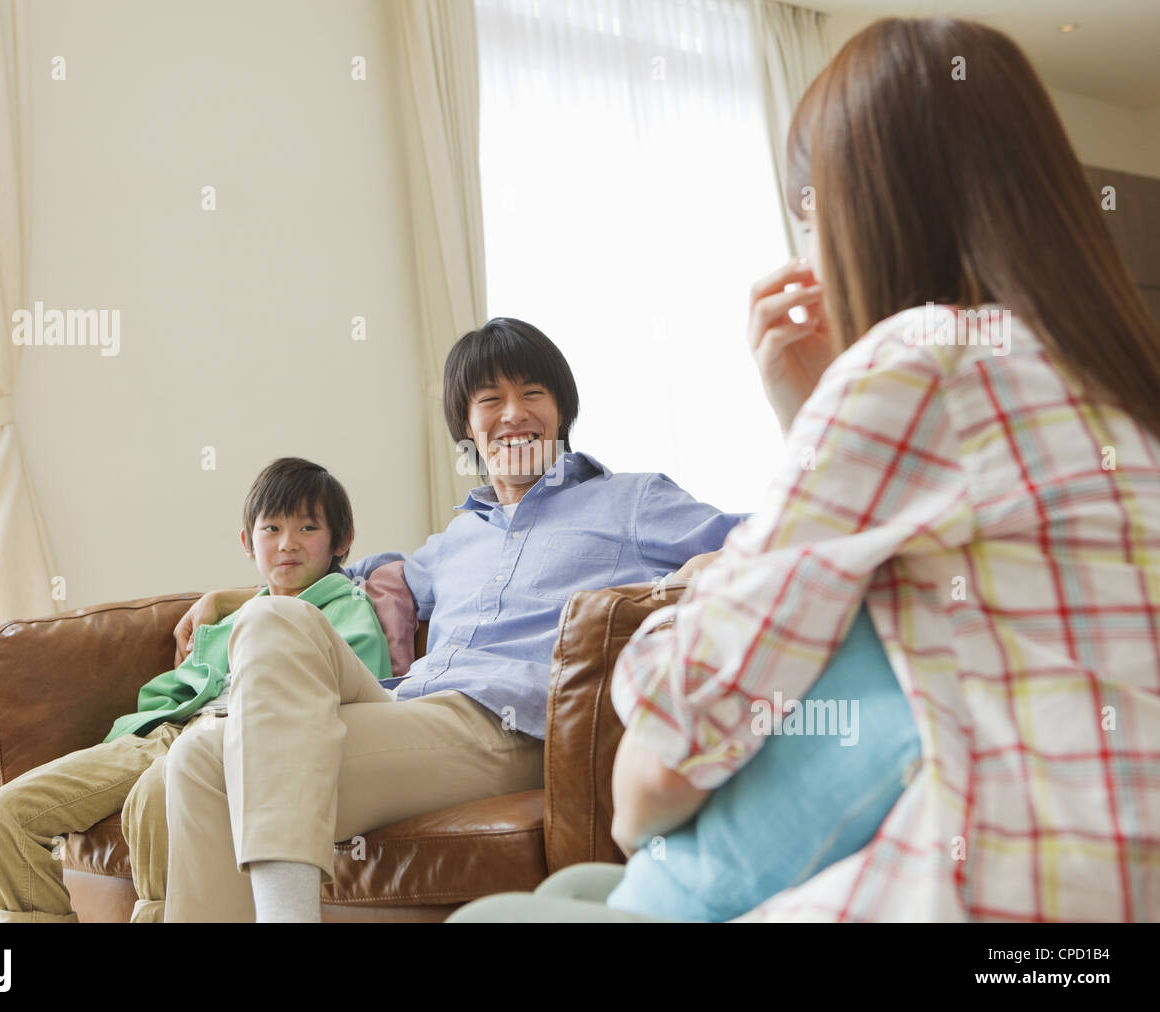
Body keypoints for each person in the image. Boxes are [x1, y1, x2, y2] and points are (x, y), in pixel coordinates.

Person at [450, 16, 1160, 923]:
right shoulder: (1118, 387)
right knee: (578, 889)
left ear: (853, 208)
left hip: (990, 889)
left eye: (806, 209)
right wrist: (812, 417)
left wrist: (830, 407)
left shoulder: (919, 362)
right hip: (1110, 873)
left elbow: (656, 773)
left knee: (496, 916)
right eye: (488, 403)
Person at [161, 317, 744, 921]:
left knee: (212, 767)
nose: (513, 414)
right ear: (467, 428)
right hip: (408, 710)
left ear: (562, 412)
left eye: (532, 394)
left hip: (510, 727)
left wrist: (688, 575)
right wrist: (229, 599)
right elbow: (331, 575)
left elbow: (764, 542)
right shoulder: (456, 537)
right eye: (490, 400)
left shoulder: (631, 500)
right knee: (203, 751)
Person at [0, 457, 389, 922]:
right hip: (163, 735)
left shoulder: (348, 611)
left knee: (156, 799)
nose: (287, 543)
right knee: (3, 817)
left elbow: (356, 704)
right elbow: (167, 693)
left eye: (307, 528)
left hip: (232, 745)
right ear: (247, 543)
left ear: (342, 540)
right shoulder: (230, 618)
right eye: (270, 528)